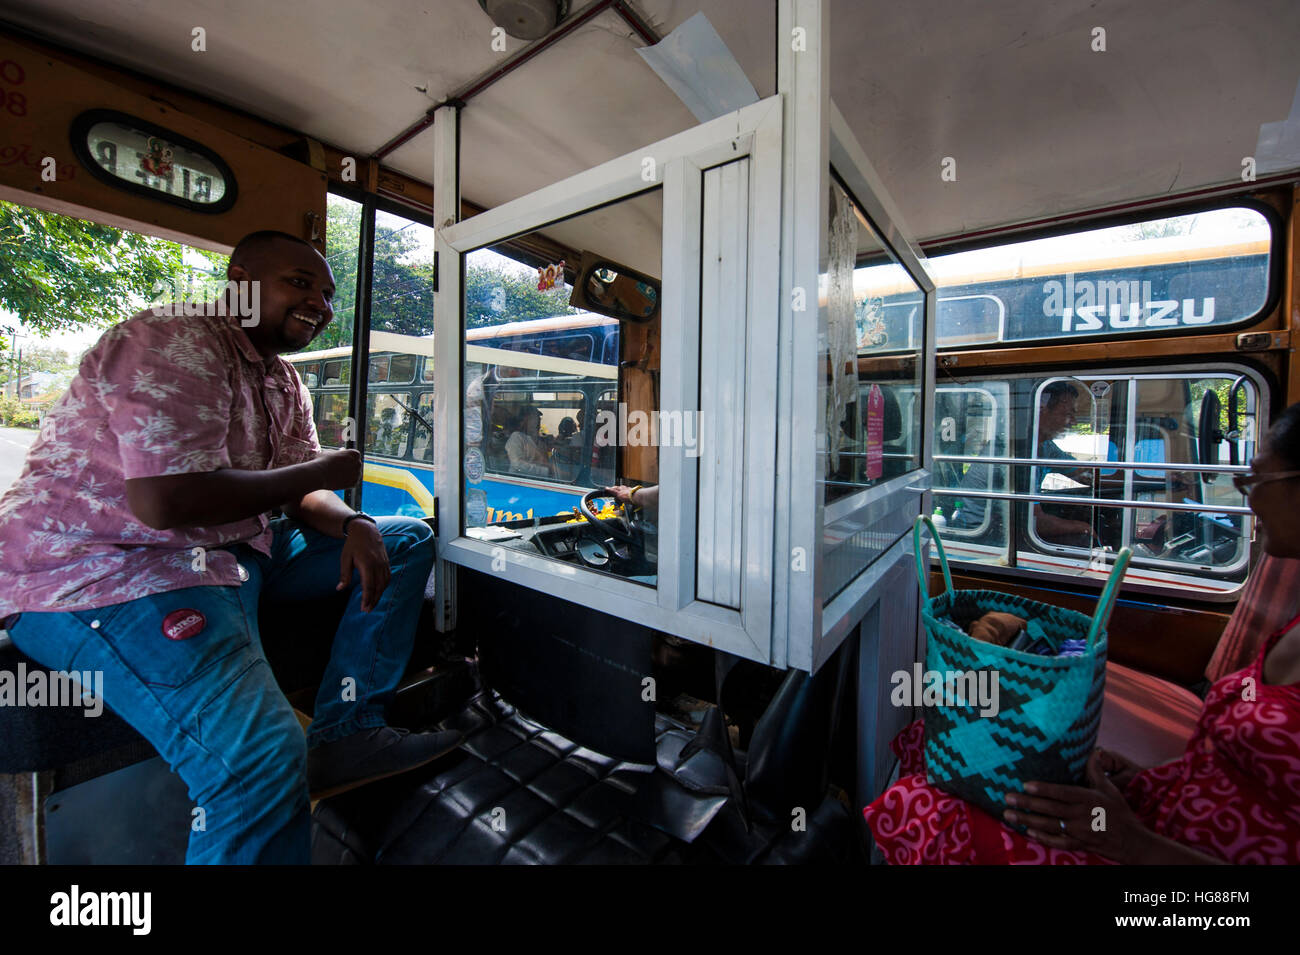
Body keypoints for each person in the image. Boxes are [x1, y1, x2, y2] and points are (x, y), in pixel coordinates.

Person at [0, 230, 461, 864]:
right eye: (300, 283)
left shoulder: (282, 383)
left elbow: (301, 495)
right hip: (111, 567)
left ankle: (348, 731)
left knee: (403, 537)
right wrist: (322, 473)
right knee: (260, 759)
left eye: (327, 294)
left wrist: (354, 520)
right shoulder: (175, 339)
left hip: (237, 552)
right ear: (240, 279)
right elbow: (166, 501)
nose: (320, 304)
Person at [863, 401, 1300, 864]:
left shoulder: (1043, 447)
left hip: (1153, 846)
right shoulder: (1019, 443)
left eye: (1256, 481)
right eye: (1067, 406)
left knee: (924, 801)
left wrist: (1131, 840)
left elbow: (1086, 478)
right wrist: (1148, 780)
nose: (1248, 499)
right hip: (1154, 822)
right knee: (925, 748)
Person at [1032, 381, 1098, 546]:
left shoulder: (1046, 447)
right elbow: (1036, 521)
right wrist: (1083, 527)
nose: (1073, 422)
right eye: (1069, 414)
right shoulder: (1015, 451)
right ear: (1042, 411)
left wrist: (1160, 479)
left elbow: (1084, 474)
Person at [505, 405, 552, 478]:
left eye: (539, 419)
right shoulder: (516, 437)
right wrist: (545, 471)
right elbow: (517, 464)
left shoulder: (538, 441)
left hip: (539, 480)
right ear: (525, 419)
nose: (538, 421)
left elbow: (545, 462)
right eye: (535, 418)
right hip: (520, 482)